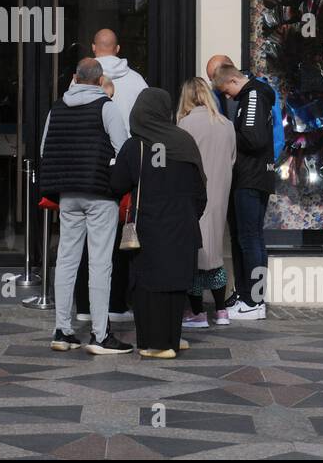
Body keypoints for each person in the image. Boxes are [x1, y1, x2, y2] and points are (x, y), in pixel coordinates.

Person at [38, 58, 132, 355]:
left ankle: (62, 330)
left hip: (68, 193)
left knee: (66, 259)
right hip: (100, 193)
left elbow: (44, 149)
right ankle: (100, 335)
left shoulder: (57, 108)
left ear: (76, 77)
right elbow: (123, 151)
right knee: (100, 263)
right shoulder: (106, 107)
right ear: (98, 79)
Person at [111, 88, 208, 359]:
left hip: (149, 228)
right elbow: (201, 187)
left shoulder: (135, 146)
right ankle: (170, 339)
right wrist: (191, 215)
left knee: (147, 284)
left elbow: (117, 184)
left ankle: (152, 342)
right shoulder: (184, 141)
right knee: (175, 283)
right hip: (182, 226)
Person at [75, 28, 149, 325]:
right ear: (117, 49)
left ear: (94, 47)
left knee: (84, 240)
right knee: (119, 239)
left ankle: (83, 305)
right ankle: (116, 303)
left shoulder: (81, 78)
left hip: (85, 168)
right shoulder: (137, 81)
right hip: (122, 168)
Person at [213, 65, 276, 320]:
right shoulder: (255, 94)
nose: (227, 96)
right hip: (257, 175)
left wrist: (226, 131)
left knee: (250, 238)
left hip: (250, 176)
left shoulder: (252, 95)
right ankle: (250, 296)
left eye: (225, 89)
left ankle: (254, 300)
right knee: (252, 238)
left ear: (232, 79)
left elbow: (252, 137)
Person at [176, 77, 236, 328]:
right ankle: (221, 310)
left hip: (194, 193)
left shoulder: (184, 124)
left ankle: (198, 311)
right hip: (220, 193)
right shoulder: (227, 125)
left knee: (195, 252)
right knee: (215, 252)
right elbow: (232, 159)